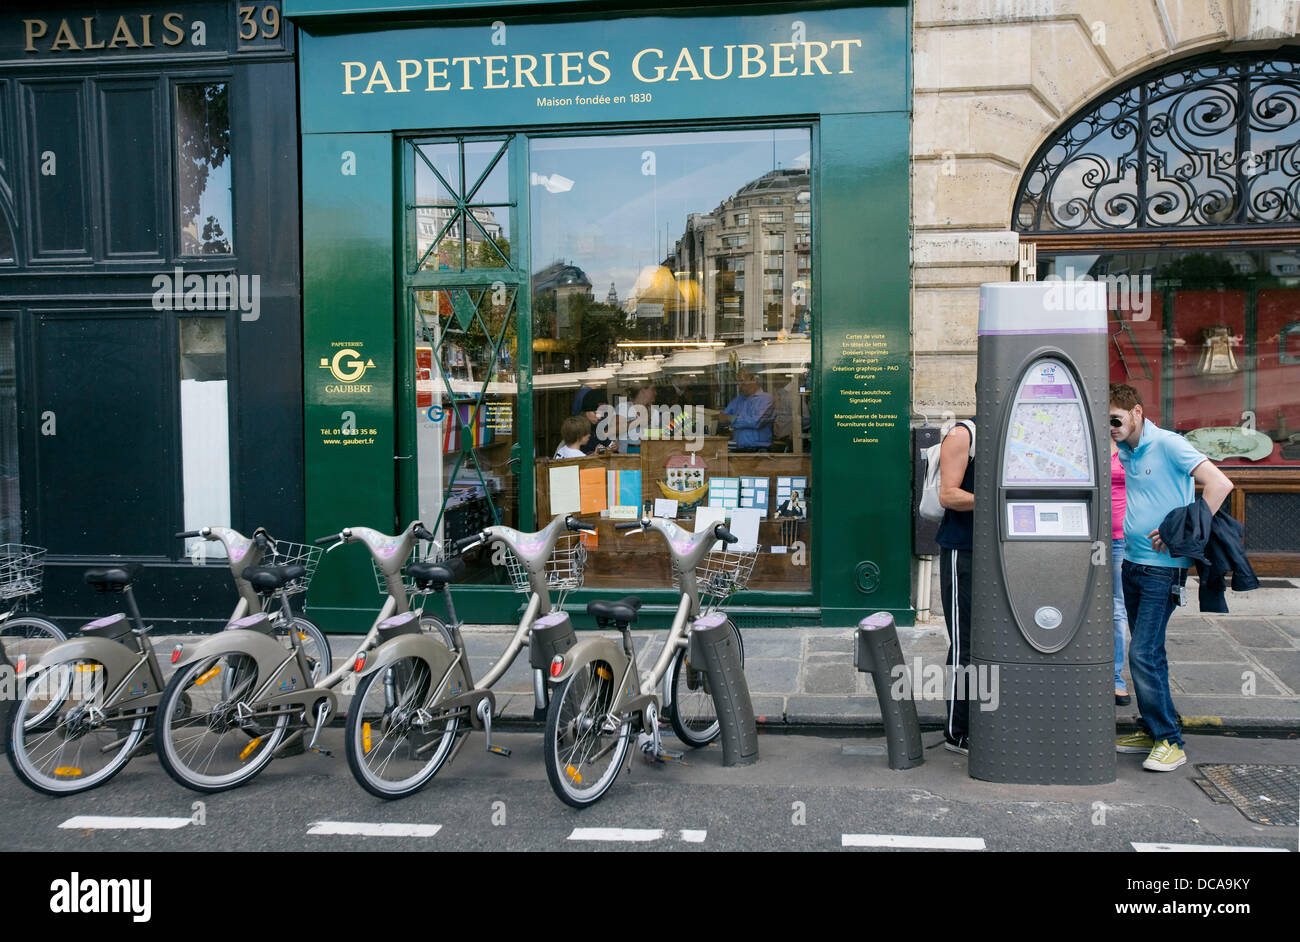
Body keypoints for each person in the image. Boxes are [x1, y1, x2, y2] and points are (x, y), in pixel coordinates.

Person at [1110, 383, 1233, 772]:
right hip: (1132, 563)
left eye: (1115, 420)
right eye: (1105, 422)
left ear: (1137, 413)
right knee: (1151, 653)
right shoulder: (1129, 450)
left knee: (1141, 653)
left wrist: (1184, 529)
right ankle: (1152, 728)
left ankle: (1170, 741)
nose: (1110, 428)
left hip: (1162, 571)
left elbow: (1220, 484)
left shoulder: (1169, 444)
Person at [936, 418, 975, 756]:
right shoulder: (964, 434)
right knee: (965, 642)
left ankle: (979, 719)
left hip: (997, 552)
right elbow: (948, 494)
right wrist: (995, 500)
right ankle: (957, 730)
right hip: (962, 550)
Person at [1111, 439, 1131, 706]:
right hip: (1082, 538)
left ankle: (1114, 677)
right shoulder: (1081, 439)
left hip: (1120, 540)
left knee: (1116, 607)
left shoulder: (1130, 447)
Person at [720, 371, 775, 451]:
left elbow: (756, 422)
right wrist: (724, 418)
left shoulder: (766, 399)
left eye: (742, 382)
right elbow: (722, 419)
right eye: (738, 383)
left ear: (754, 379)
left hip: (759, 451)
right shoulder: (737, 401)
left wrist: (731, 418)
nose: (739, 387)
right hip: (738, 449)